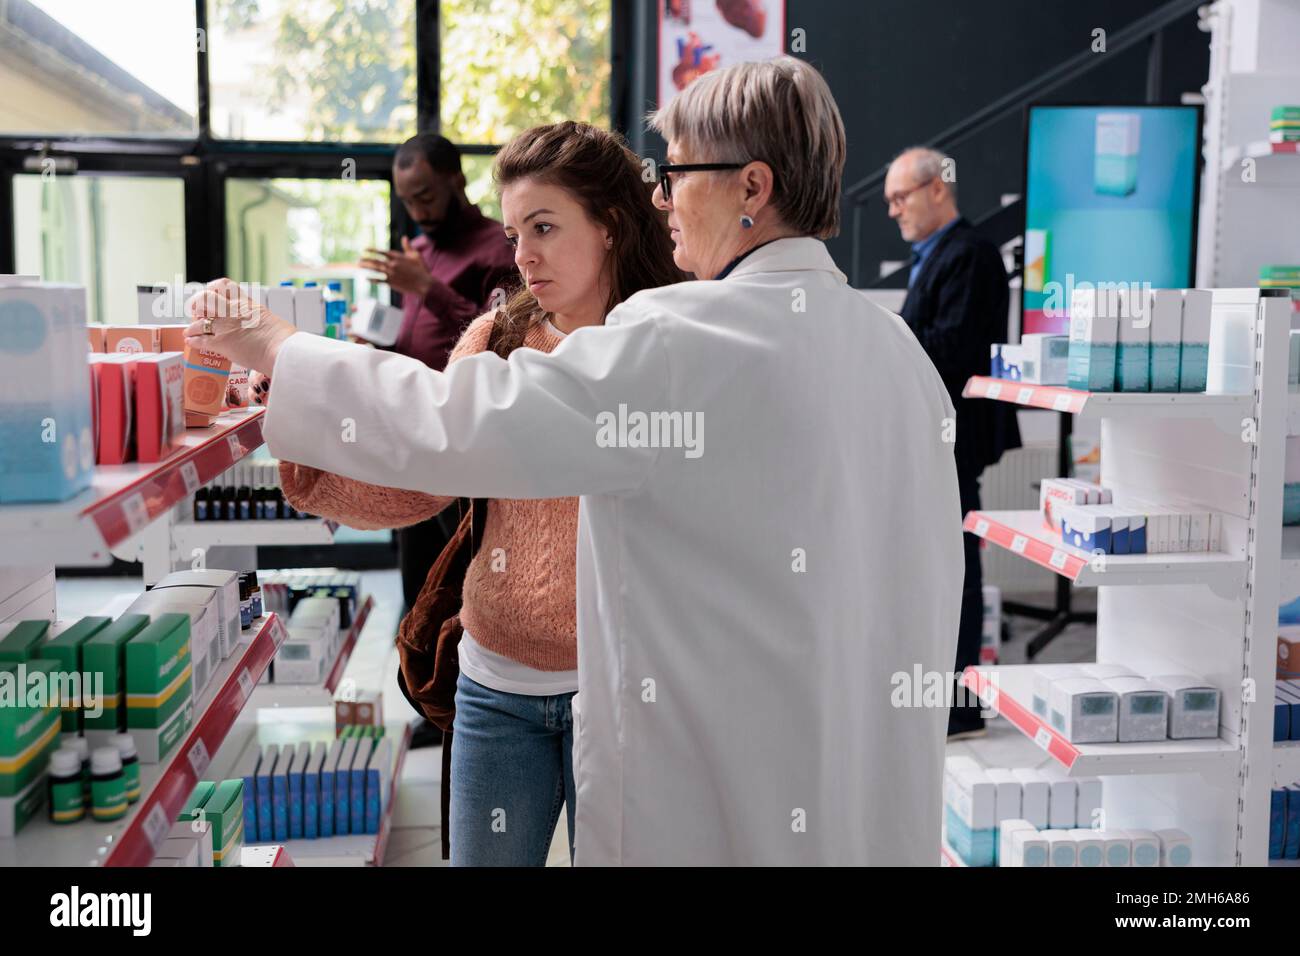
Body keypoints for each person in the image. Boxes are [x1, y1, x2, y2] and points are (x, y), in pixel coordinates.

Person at [186, 56, 964, 865]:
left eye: (679, 175)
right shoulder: (900, 355)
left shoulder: (678, 339)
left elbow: (462, 424)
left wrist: (282, 347)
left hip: (710, 799)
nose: (662, 197)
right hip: (852, 793)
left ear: (752, 189)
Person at [268, 122, 683, 865]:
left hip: (629, 691)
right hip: (498, 685)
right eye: (517, 230)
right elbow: (424, 478)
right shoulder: (498, 338)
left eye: (546, 228)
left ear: (612, 226)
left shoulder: (670, 344)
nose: (522, 255)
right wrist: (305, 445)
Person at [884, 147, 1021, 740]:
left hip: (954, 441)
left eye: (901, 197)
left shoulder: (969, 255)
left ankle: (959, 706)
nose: (893, 211)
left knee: (954, 573)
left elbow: (949, 351)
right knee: (936, 571)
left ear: (938, 188)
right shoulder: (936, 255)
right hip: (935, 440)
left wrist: (886, 341)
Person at [363, 133, 518, 622]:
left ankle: (463, 693)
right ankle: (421, 688)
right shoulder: (421, 249)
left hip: (470, 444)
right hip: (414, 440)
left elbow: (506, 340)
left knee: (464, 585)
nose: (417, 209)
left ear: (456, 179)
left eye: (425, 196)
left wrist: (428, 290)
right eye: (407, 200)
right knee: (418, 588)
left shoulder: (500, 247)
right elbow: (424, 340)